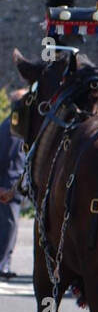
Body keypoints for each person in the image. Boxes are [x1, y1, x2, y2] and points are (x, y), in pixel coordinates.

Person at [0, 86, 28, 280]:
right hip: (9, 186)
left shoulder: (10, 124)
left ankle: (4, 263)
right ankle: (2, 265)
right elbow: (9, 158)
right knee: (8, 227)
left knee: (9, 226)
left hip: (10, 185)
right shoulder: (13, 127)